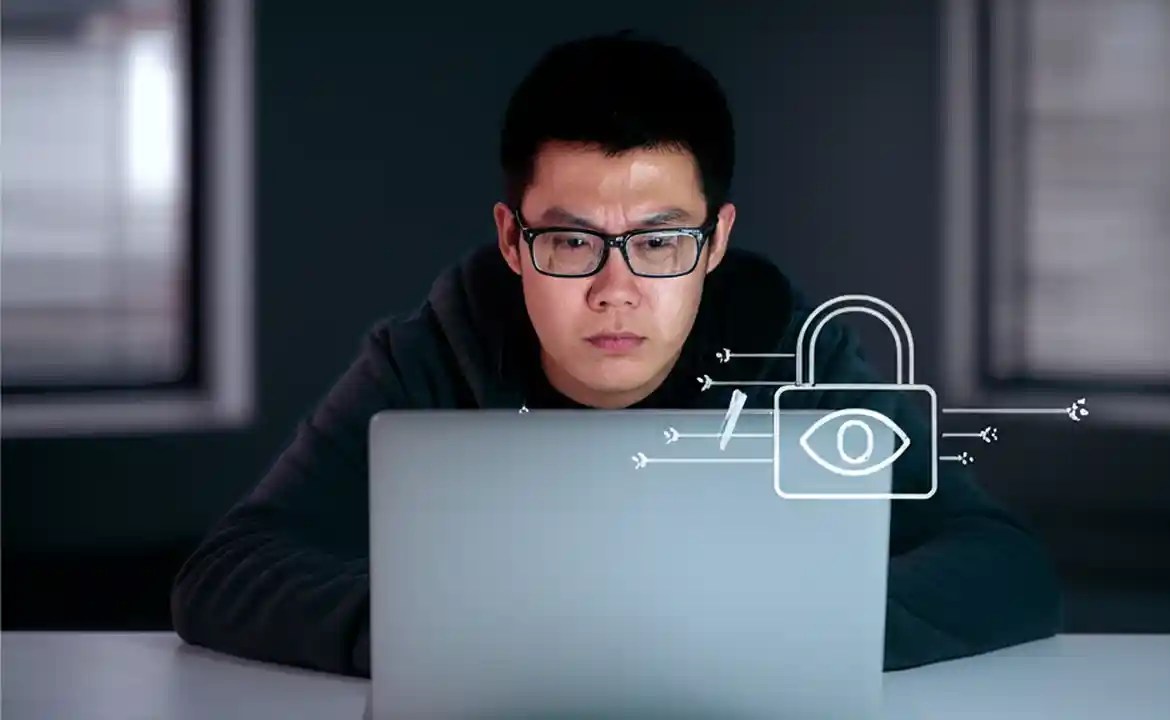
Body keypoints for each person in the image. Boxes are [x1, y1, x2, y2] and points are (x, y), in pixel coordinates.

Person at [171, 31, 1062, 678]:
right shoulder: (434, 351)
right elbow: (225, 571)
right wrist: (430, 633)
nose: (615, 288)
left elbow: (1003, 561)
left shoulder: (799, 353)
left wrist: (782, 636)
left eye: (661, 241)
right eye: (570, 243)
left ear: (716, 243)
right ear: (512, 241)